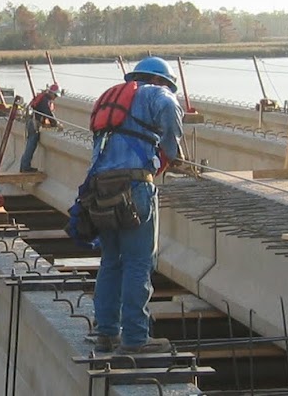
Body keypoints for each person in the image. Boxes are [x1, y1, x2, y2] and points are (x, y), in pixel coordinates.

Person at [88, 56, 184, 355]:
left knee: (111, 260)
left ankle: (106, 333)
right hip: (135, 186)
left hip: (100, 187)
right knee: (138, 263)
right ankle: (135, 339)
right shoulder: (156, 93)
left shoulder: (112, 97)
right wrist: (173, 151)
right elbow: (169, 108)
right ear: (159, 80)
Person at [20, 83, 62, 172]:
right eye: (55, 95)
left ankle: (24, 166)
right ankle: (25, 167)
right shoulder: (45, 100)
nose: (55, 98)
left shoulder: (43, 98)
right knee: (31, 145)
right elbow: (48, 114)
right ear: (51, 93)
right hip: (33, 123)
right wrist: (56, 124)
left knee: (30, 145)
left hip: (32, 122)